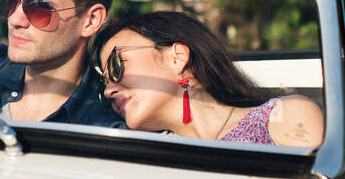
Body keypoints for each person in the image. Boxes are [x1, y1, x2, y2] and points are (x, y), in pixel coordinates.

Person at [91, 10, 324, 146]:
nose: (108, 90)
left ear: (177, 57)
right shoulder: (148, 159)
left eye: (116, 65)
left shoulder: (283, 116)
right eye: (105, 80)